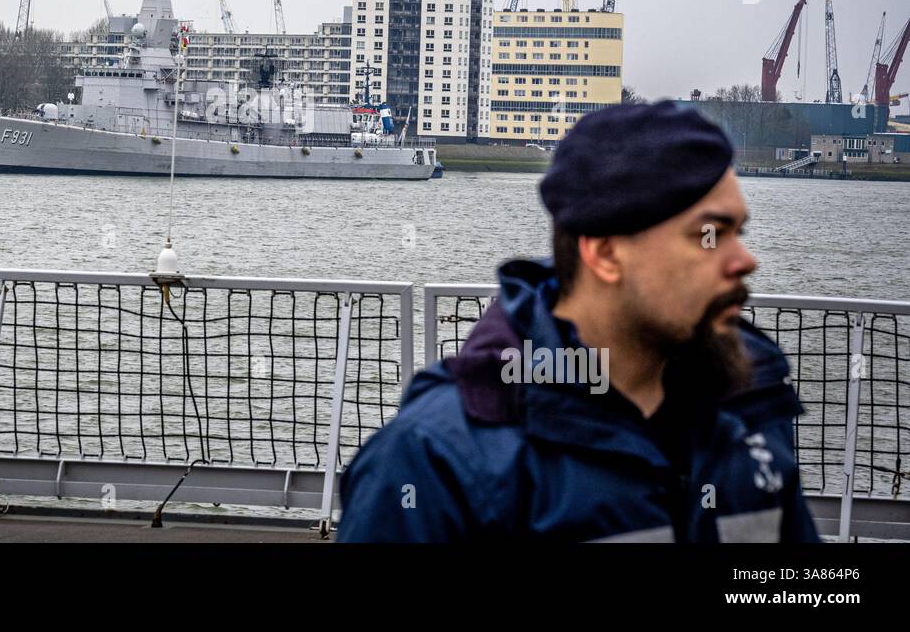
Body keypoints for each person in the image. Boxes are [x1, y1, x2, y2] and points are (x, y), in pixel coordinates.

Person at [338, 100, 818, 542]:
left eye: (740, 232)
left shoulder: (750, 403)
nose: (744, 260)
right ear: (606, 254)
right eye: (709, 235)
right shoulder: (435, 461)